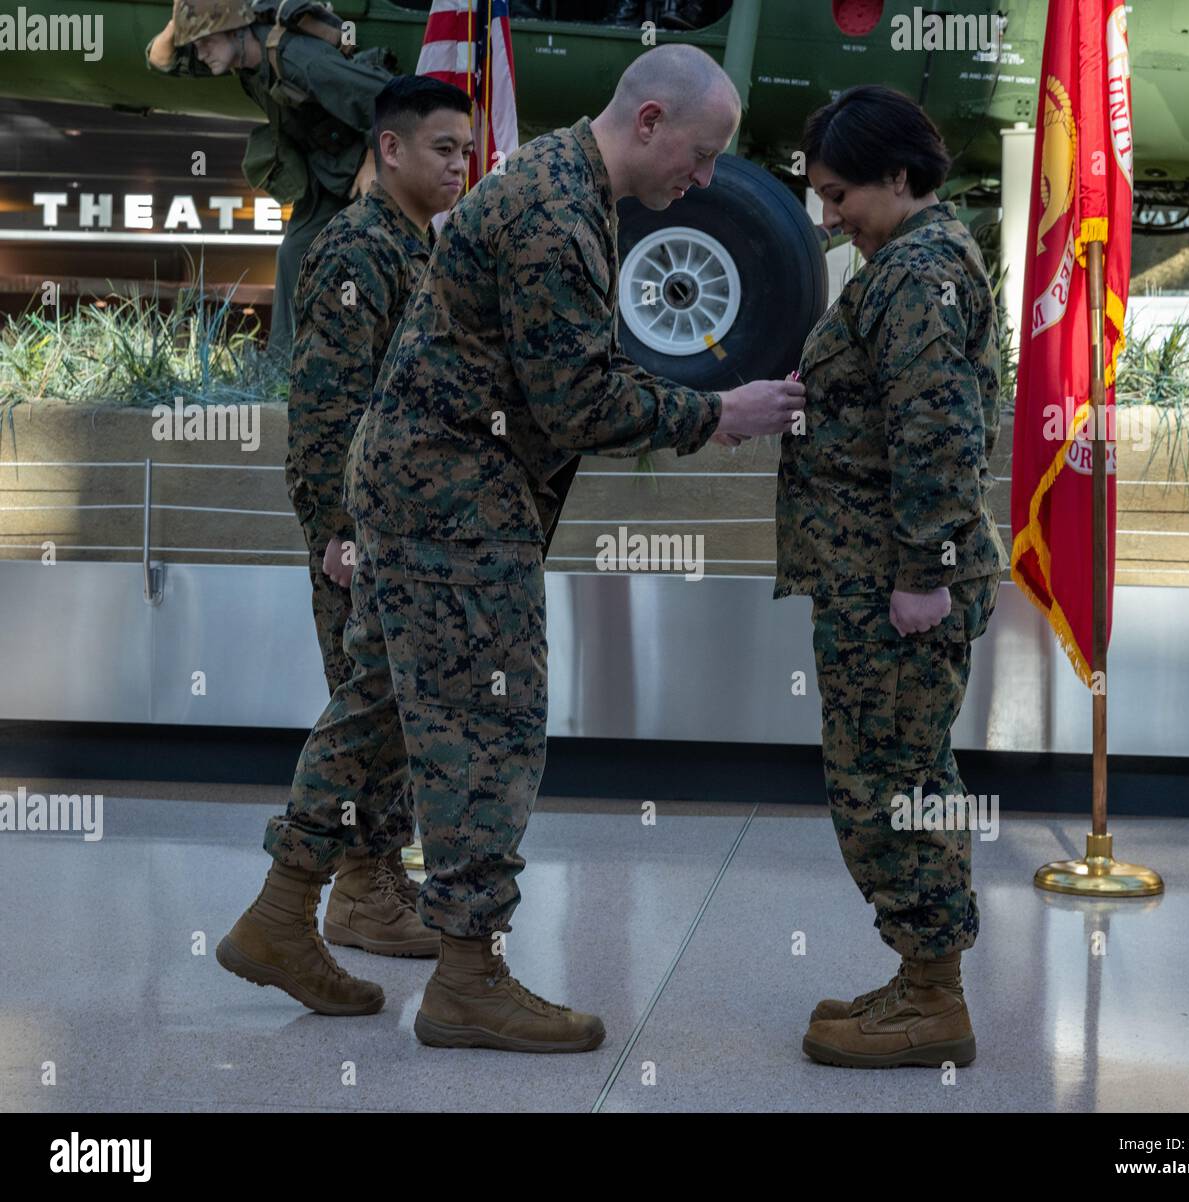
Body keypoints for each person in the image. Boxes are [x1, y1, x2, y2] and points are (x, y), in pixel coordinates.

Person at [216, 43, 805, 1048]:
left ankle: (279, 913)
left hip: (423, 487)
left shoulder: (563, 189)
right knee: (490, 725)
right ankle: (467, 976)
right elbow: (577, 399)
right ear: (651, 120)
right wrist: (716, 410)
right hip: (453, 501)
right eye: (700, 155)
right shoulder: (550, 206)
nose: (703, 180)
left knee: (380, 704)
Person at [774, 84, 1007, 1069]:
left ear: (898, 179)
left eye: (840, 196)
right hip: (878, 571)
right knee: (907, 775)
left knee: (890, 783)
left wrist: (927, 571)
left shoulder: (916, 270)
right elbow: (892, 407)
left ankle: (931, 998)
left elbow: (937, 429)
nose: (829, 217)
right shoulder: (914, 258)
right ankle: (921, 975)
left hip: (896, 583)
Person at [278, 76, 475, 970]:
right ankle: (358, 890)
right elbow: (327, 407)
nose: (460, 164)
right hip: (362, 531)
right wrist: (337, 528)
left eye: (466, 149)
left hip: (407, 525)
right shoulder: (360, 250)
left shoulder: (416, 245)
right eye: (444, 148)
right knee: (367, 702)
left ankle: (381, 875)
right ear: (390, 149)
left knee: (393, 705)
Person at [146, 0, 394, 354]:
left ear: (234, 30)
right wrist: (182, 18)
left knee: (380, 265)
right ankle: (284, 370)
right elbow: (160, 60)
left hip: (363, 167)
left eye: (205, 43)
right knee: (294, 255)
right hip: (327, 170)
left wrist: (374, 159)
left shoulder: (297, 58)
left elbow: (387, 96)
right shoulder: (237, 56)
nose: (200, 55)